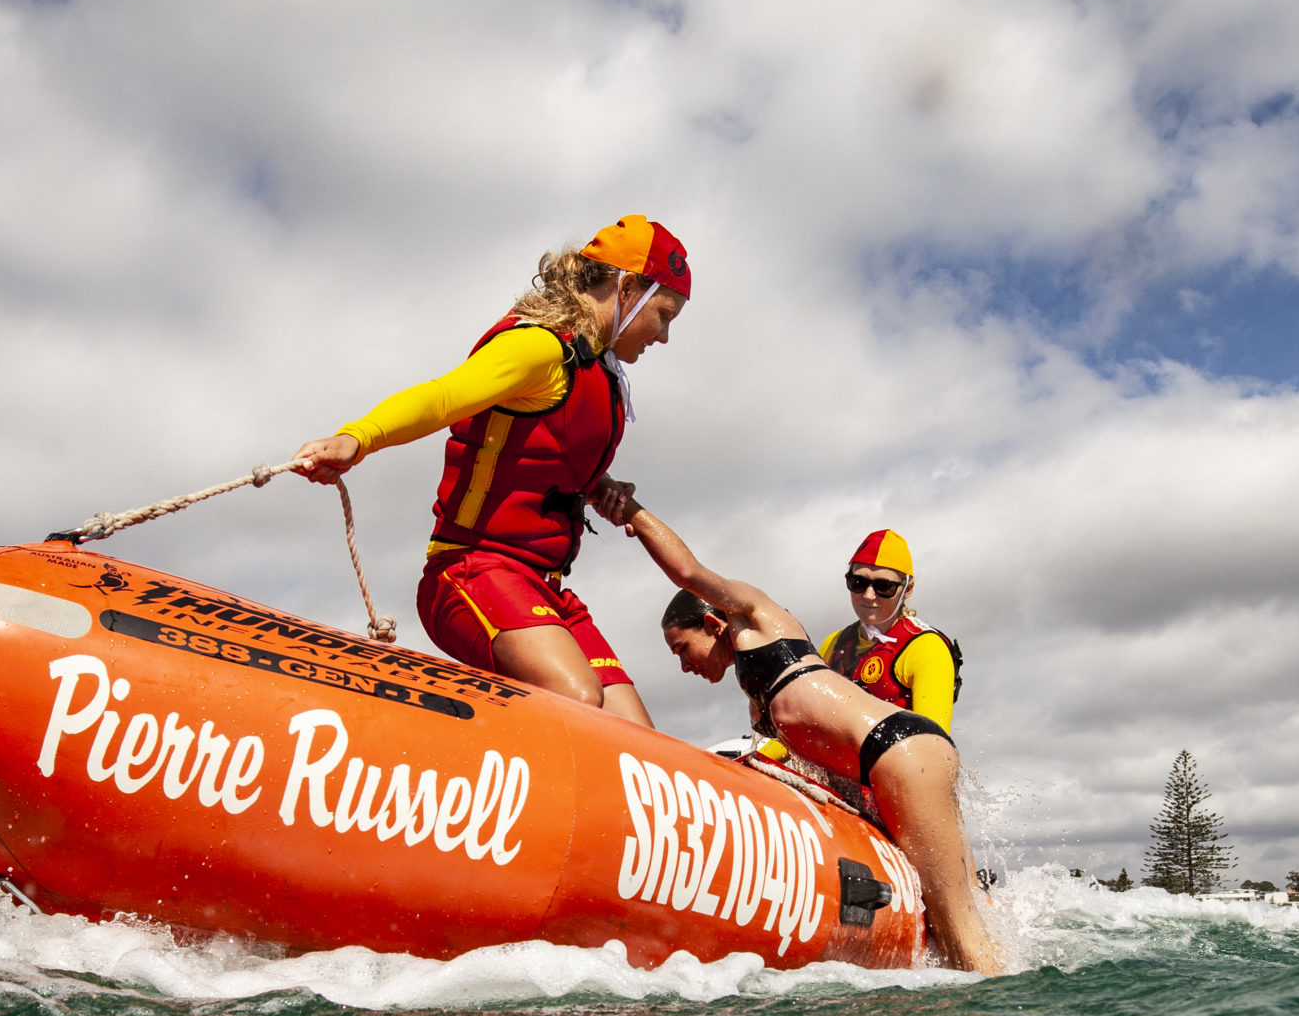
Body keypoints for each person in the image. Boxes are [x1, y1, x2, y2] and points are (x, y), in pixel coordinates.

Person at [287, 216, 692, 725]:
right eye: (664, 314)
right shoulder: (539, 347)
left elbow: (541, 455)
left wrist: (597, 486)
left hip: (547, 589)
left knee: (639, 738)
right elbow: (441, 398)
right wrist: (356, 438)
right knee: (579, 699)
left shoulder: (600, 370)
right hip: (470, 571)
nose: (665, 336)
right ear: (629, 287)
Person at [606, 496, 1005, 976]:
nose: (683, 663)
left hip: (901, 751)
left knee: (960, 934)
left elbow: (689, 571)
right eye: (859, 583)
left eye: (682, 647)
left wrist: (630, 512)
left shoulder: (758, 618)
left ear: (712, 623)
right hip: (890, 757)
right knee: (944, 940)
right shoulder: (759, 676)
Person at [820, 529, 960, 732]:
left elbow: (933, 743)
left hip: (898, 760)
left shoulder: (927, 648)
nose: (868, 595)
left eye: (883, 586)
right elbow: (803, 721)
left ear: (907, 589)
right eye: (858, 583)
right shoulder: (834, 644)